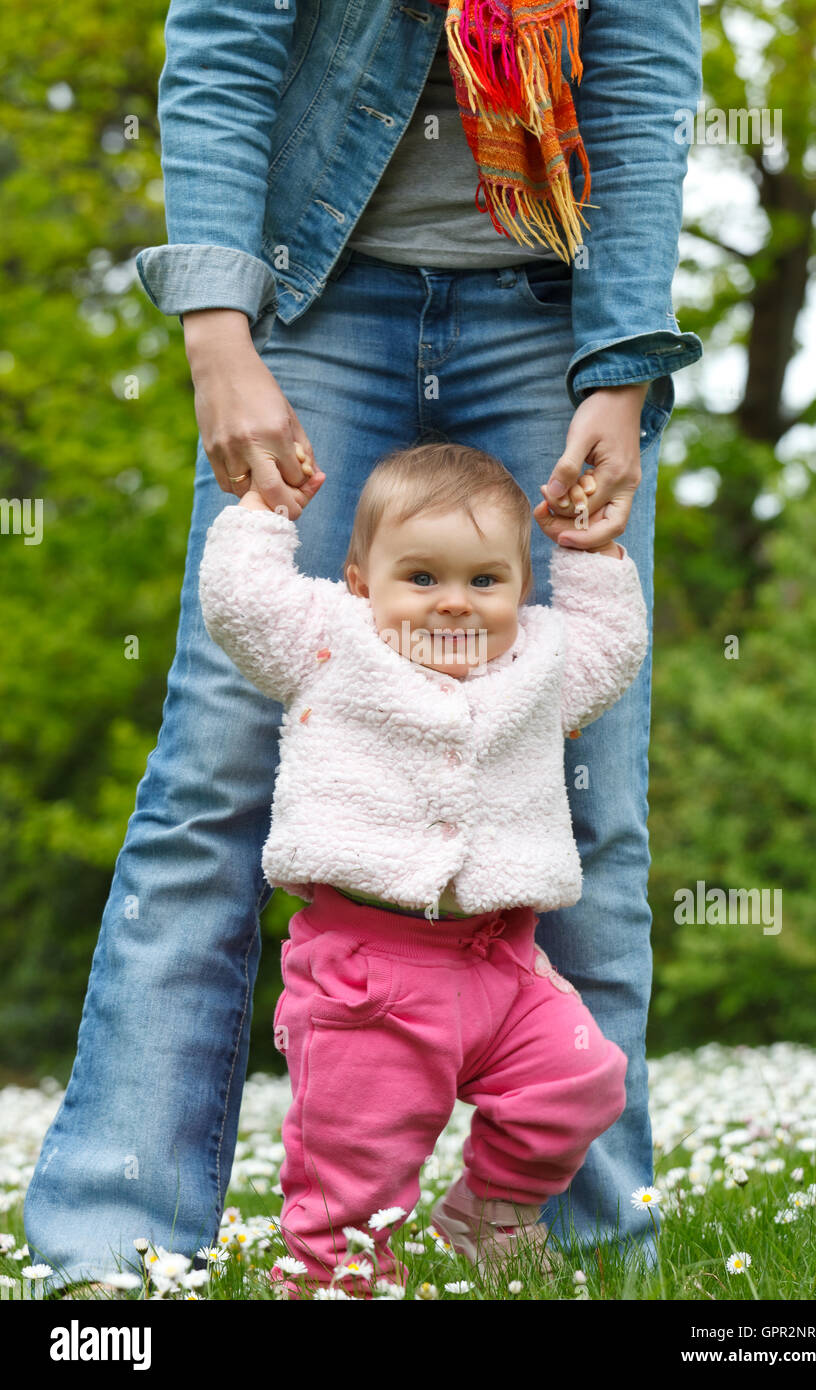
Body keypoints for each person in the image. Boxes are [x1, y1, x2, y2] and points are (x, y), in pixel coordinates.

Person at [24, 0, 703, 1293]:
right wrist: (215, 323)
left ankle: (585, 1253)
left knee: (587, 798)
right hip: (311, 291)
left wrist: (618, 373)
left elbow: (637, 75)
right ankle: (108, 1263)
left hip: (552, 317)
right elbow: (225, 34)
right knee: (214, 777)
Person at [197, 439, 648, 1296]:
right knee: (352, 1172)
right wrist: (263, 518)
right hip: (368, 978)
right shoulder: (329, 641)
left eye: (484, 581)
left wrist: (588, 552)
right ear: (364, 583)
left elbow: (614, 643)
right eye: (422, 579)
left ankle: (490, 1211)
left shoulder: (541, 665)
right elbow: (240, 603)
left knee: (584, 1080)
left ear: (523, 586)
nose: (453, 605)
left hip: (504, 965)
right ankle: (338, 1280)